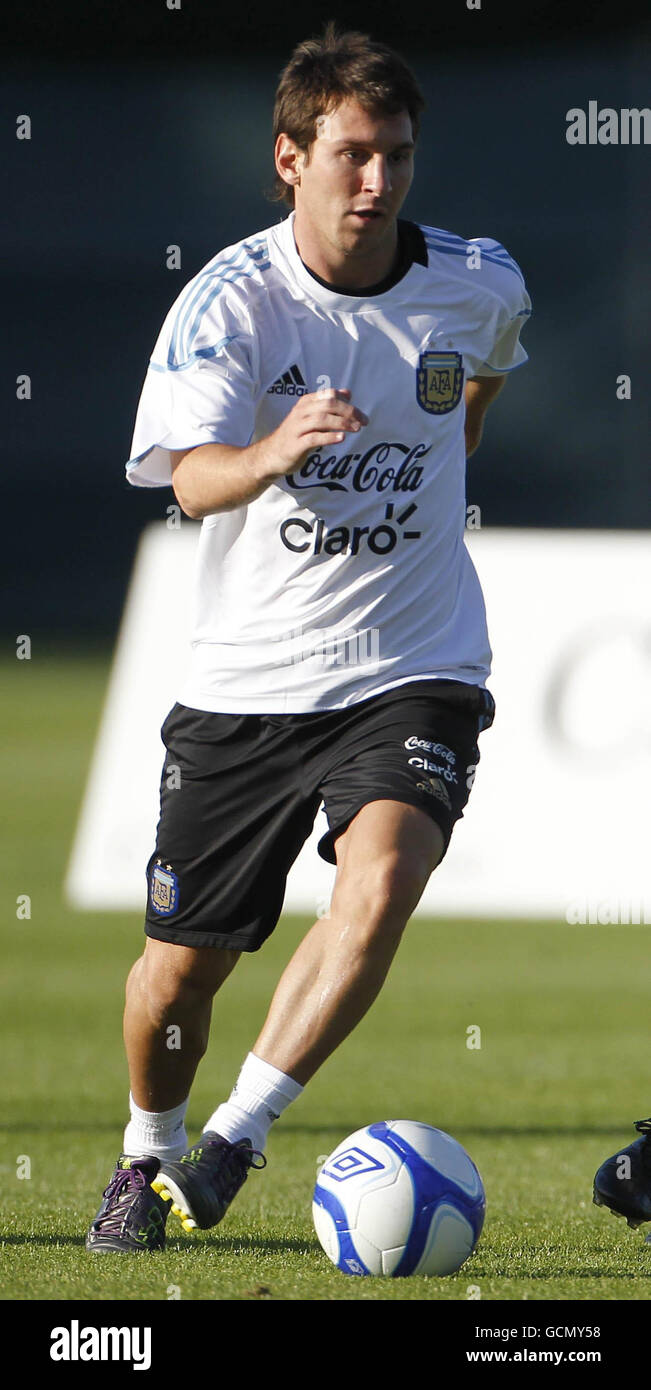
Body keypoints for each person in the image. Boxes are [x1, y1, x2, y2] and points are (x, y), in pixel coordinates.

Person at [86, 23, 531, 1253]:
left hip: (417, 664)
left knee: (384, 878)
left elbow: (485, 374)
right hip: (249, 680)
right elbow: (186, 483)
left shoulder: (477, 278)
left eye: (394, 154)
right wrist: (273, 453)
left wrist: (447, 446)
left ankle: (236, 1135)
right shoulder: (232, 302)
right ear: (290, 159)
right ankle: (150, 1151)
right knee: (179, 970)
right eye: (350, 156)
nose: (378, 181)